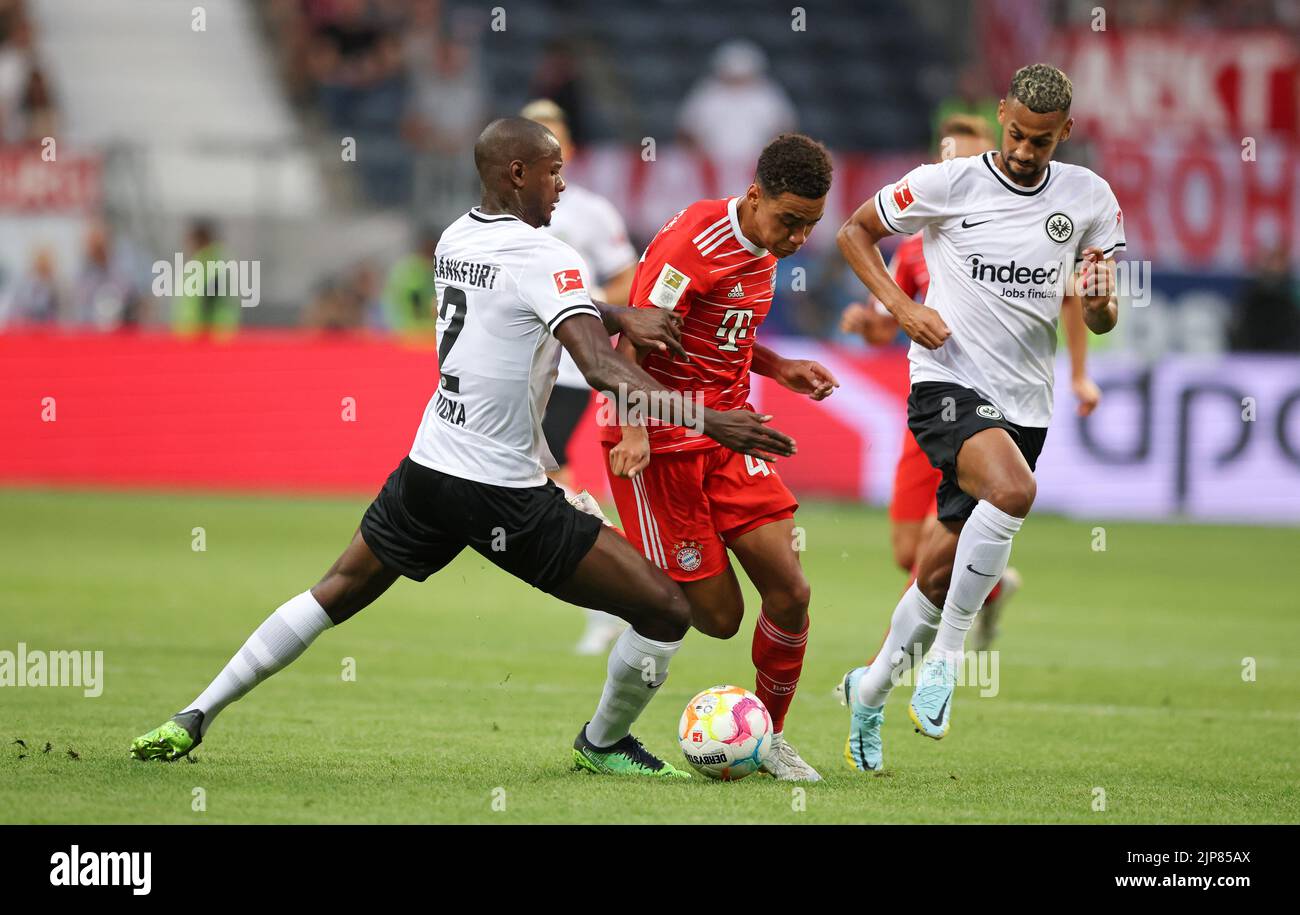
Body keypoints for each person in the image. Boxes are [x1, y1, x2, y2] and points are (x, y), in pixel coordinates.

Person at [130, 118, 796, 779]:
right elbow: (598, 368)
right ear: (516, 174)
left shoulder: (456, 237)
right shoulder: (549, 255)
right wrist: (711, 419)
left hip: (427, 467)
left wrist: (620, 314)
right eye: (553, 171)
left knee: (333, 589)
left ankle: (195, 713)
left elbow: (519, 298)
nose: (563, 186)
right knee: (665, 610)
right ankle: (602, 742)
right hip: (501, 491)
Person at [836, 64, 1124, 771]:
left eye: (1043, 141)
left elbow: (1103, 314)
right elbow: (853, 232)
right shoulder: (949, 182)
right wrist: (903, 310)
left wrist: (1098, 301)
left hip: (1027, 402)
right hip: (946, 382)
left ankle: (867, 692)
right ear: (1002, 114)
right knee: (1016, 492)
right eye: (1018, 134)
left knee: (936, 572)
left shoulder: (1090, 198)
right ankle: (947, 660)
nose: (1027, 151)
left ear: (1067, 133)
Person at [601, 133, 839, 781]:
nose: (796, 239)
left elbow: (727, 330)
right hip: (659, 437)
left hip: (731, 433)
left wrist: (781, 365)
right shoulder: (692, 246)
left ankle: (768, 737)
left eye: (810, 226)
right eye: (789, 221)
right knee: (719, 619)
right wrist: (633, 429)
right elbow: (631, 343)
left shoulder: (765, 245)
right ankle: (607, 579)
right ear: (755, 194)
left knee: (790, 591)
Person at [840, 114, 1103, 652]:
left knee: (945, 541)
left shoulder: (1034, 219)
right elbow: (887, 324)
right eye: (946, 157)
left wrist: (1078, 374)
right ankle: (986, 585)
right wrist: (874, 323)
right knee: (905, 548)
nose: (951, 167)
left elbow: (1073, 299)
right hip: (939, 400)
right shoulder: (917, 240)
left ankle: (892, 665)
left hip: (1000, 404)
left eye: (962, 157)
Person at [521, 97, 642, 656]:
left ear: (566, 150)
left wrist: (580, 305)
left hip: (566, 361)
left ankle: (613, 585)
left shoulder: (590, 213)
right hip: (514, 363)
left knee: (543, 464)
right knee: (537, 470)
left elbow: (629, 282)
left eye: (553, 137)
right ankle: (615, 579)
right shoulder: (499, 215)